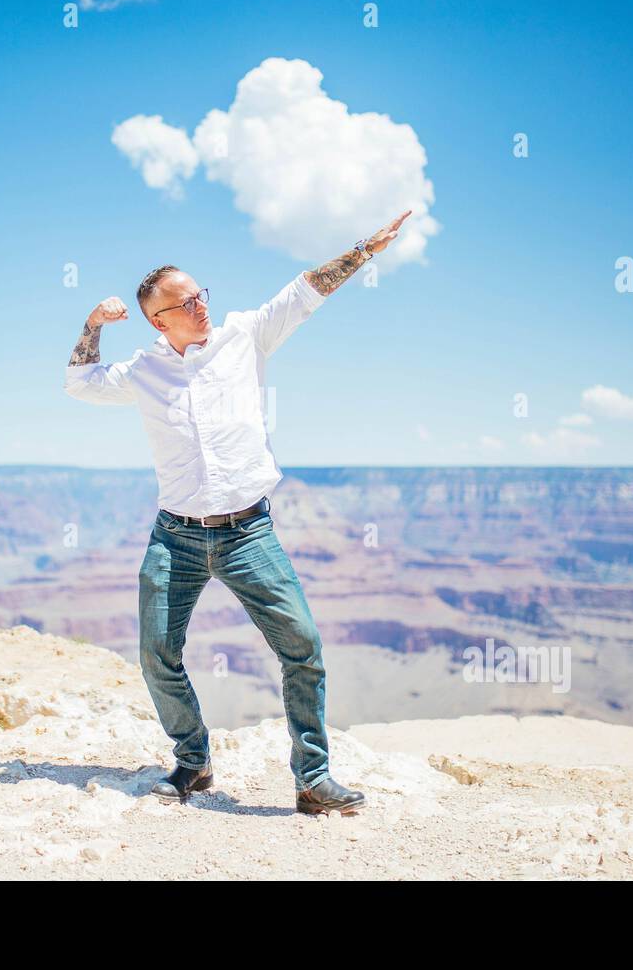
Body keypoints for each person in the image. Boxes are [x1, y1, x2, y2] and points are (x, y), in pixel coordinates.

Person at [63, 211, 412, 814]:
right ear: (157, 319)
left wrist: (364, 249)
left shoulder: (244, 336)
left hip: (249, 533)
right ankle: (192, 764)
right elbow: (78, 381)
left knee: (302, 646)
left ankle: (313, 780)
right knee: (156, 653)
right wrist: (92, 323)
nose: (201, 306)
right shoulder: (143, 371)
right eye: (186, 302)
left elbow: (305, 291)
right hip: (175, 537)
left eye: (201, 294)